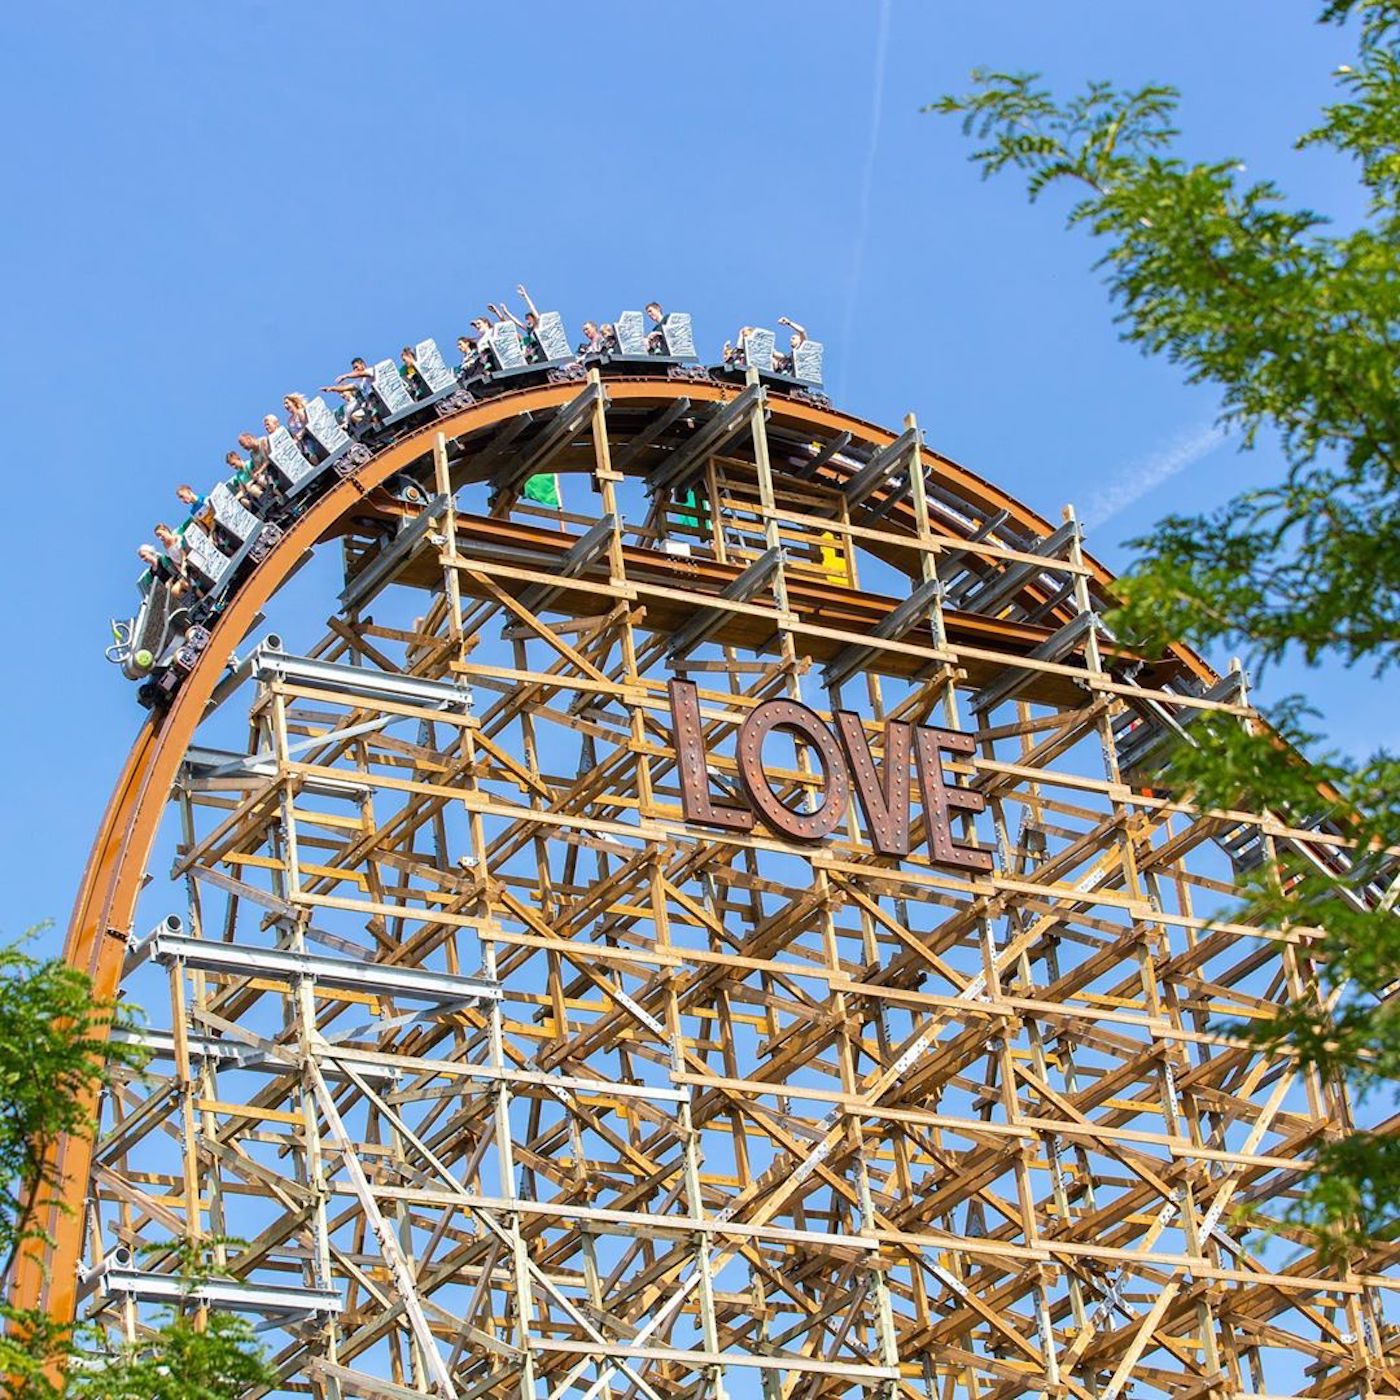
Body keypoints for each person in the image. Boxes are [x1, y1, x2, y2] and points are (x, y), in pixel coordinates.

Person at [495, 284, 544, 362]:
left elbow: (532, 309)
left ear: (533, 318)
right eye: (526, 320)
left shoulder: (538, 324)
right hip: (531, 351)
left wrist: (525, 296)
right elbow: (517, 323)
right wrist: (506, 312)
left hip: (540, 349)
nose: (527, 321)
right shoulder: (529, 330)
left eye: (529, 319)